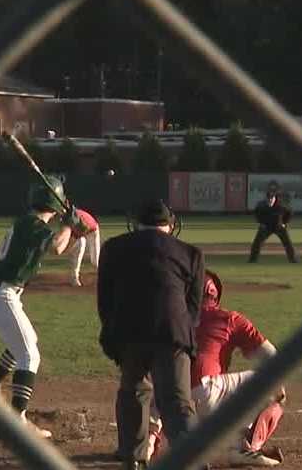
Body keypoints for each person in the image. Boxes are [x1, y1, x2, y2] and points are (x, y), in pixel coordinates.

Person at [98, 199, 204, 470]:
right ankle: (190, 459)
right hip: (173, 332)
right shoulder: (191, 253)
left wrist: (112, 335)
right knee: (177, 400)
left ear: (136, 223)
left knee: (133, 392)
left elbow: (105, 300)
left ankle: (133, 457)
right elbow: (193, 307)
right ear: (170, 224)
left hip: (129, 332)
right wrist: (184, 335)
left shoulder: (113, 247)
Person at [0, 181, 79, 439]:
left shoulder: (28, 223)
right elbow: (58, 246)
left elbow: (56, 243)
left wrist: (67, 223)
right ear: (54, 204)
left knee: (24, 342)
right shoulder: (33, 224)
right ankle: (18, 420)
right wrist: (68, 223)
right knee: (30, 355)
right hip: (2, 294)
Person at [190, 269, 286, 466]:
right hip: (207, 392)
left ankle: (149, 442)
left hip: (174, 401)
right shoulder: (230, 319)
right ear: (215, 294)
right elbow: (273, 358)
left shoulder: (175, 319)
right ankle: (246, 447)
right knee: (274, 383)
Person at [249, 181, 298, 263]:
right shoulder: (262, 205)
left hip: (278, 227)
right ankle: (252, 260)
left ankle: (292, 260)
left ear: (275, 197)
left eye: (272, 198)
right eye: (269, 198)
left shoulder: (281, 205)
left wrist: (284, 223)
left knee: (287, 243)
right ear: (267, 198)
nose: (270, 199)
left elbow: (289, 213)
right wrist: (261, 223)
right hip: (266, 227)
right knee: (257, 243)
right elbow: (257, 214)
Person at [65, 207, 100, 287]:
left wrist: (67, 248)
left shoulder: (77, 219)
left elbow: (82, 230)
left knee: (95, 261)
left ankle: (108, 278)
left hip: (93, 231)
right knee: (80, 245)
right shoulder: (69, 216)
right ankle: (74, 278)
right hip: (83, 228)